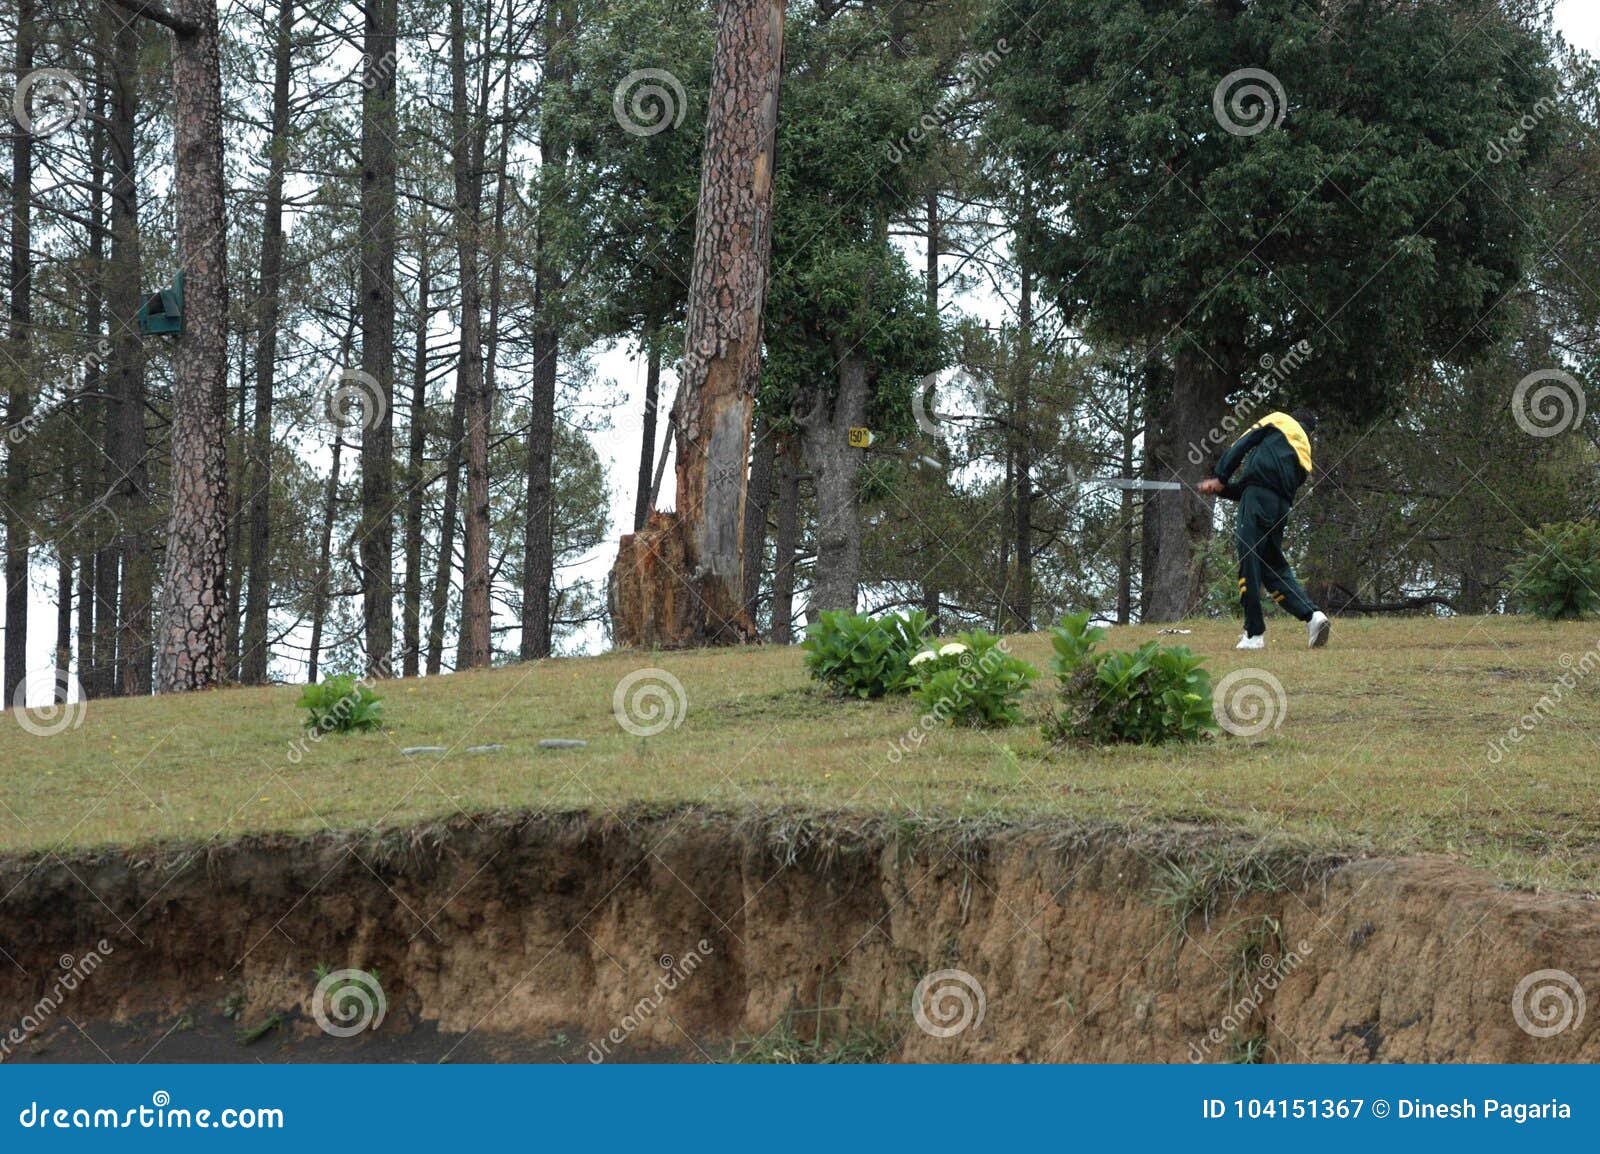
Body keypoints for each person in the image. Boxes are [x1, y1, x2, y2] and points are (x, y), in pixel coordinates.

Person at [1198, 409, 1331, 650]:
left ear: (1294, 417)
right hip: (1279, 506)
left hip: (1258, 498)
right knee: (1272, 567)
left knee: (1249, 559)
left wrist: (1220, 476)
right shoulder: (1304, 451)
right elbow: (1258, 487)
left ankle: (1253, 634)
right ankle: (1313, 616)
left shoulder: (1279, 420)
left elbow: (1242, 444)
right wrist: (1221, 489)